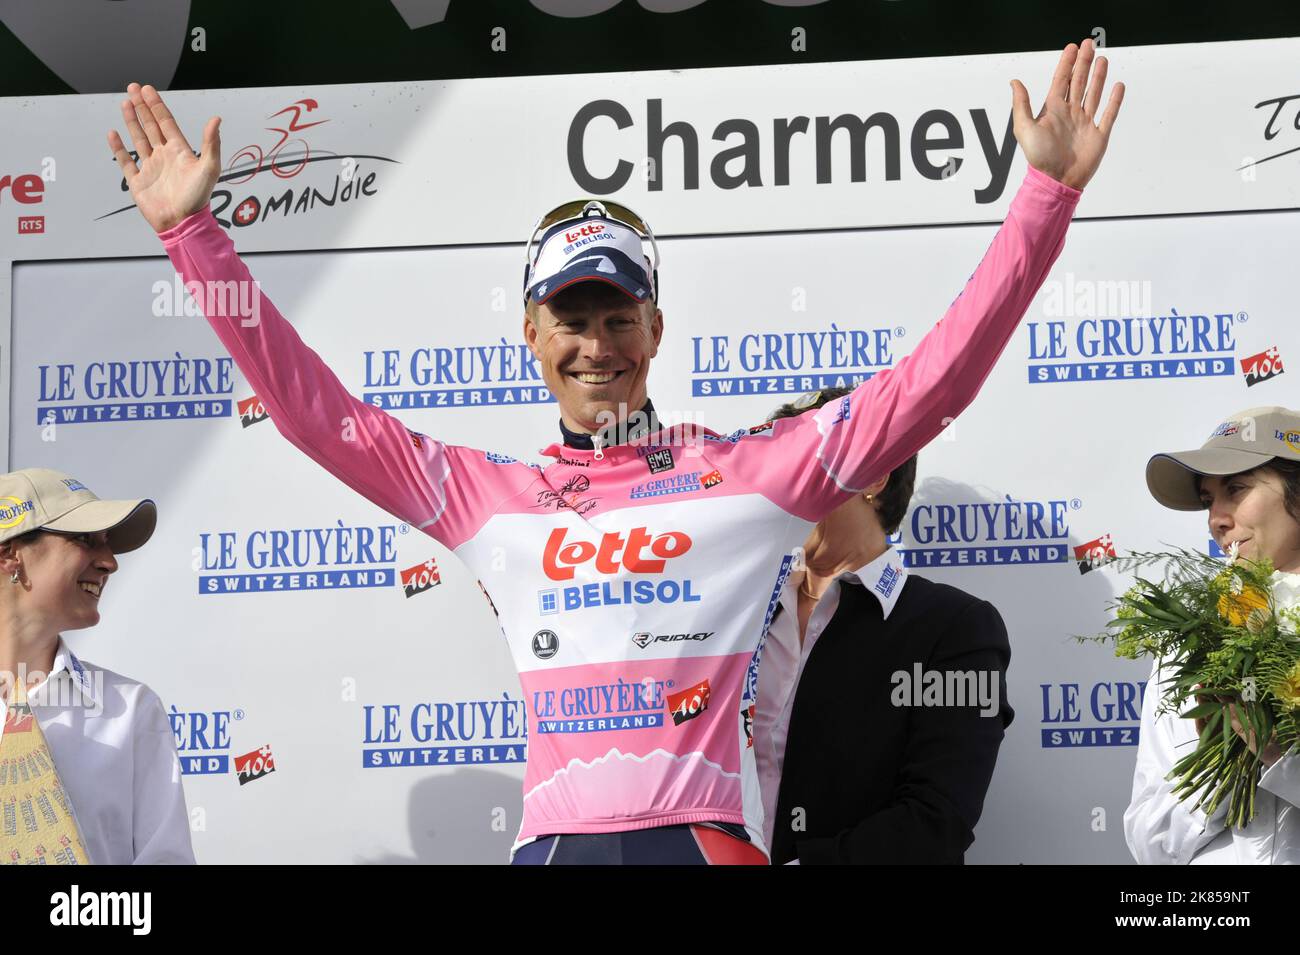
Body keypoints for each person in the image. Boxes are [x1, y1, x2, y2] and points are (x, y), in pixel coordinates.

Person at [106, 40, 1121, 864]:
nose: (596, 344)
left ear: (655, 333)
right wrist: (193, 234)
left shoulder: (746, 474)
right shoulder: (485, 494)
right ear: (532, 337)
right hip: (553, 849)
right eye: (571, 316)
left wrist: (1041, 200)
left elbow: (931, 383)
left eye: (617, 316)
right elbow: (311, 412)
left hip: (705, 845)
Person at [754, 388, 1012, 864]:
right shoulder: (741, 617)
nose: (783, 489)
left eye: (803, 466)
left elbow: (938, 818)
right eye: (778, 470)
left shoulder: (958, 629)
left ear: (874, 476)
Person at [1126, 405, 1300, 864]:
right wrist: (1223, 764)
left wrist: (1282, 759)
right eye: (1208, 500)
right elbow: (1151, 843)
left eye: (1237, 488)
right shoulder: (1191, 638)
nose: (1216, 519)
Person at [0, 467, 194, 865]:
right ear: (10, 554)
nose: (109, 562)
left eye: (107, 544)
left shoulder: (129, 709)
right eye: (85, 540)